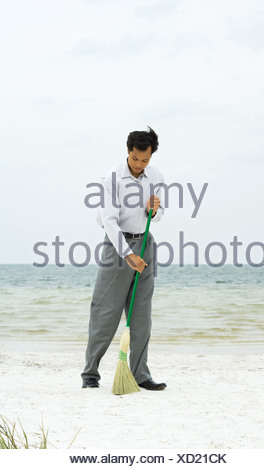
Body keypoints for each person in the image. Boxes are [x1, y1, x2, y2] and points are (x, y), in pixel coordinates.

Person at [81, 127, 166, 391]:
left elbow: (159, 215)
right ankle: (90, 374)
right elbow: (108, 221)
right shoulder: (112, 178)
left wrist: (154, 210)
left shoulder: (156, 176)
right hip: (117, 248)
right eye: (136, 159)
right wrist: (128, 254)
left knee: (141, 315)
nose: (140, 165)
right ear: (128, 151)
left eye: (145, 160)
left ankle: (140, 374)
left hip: (146, 245)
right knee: (105, 312)